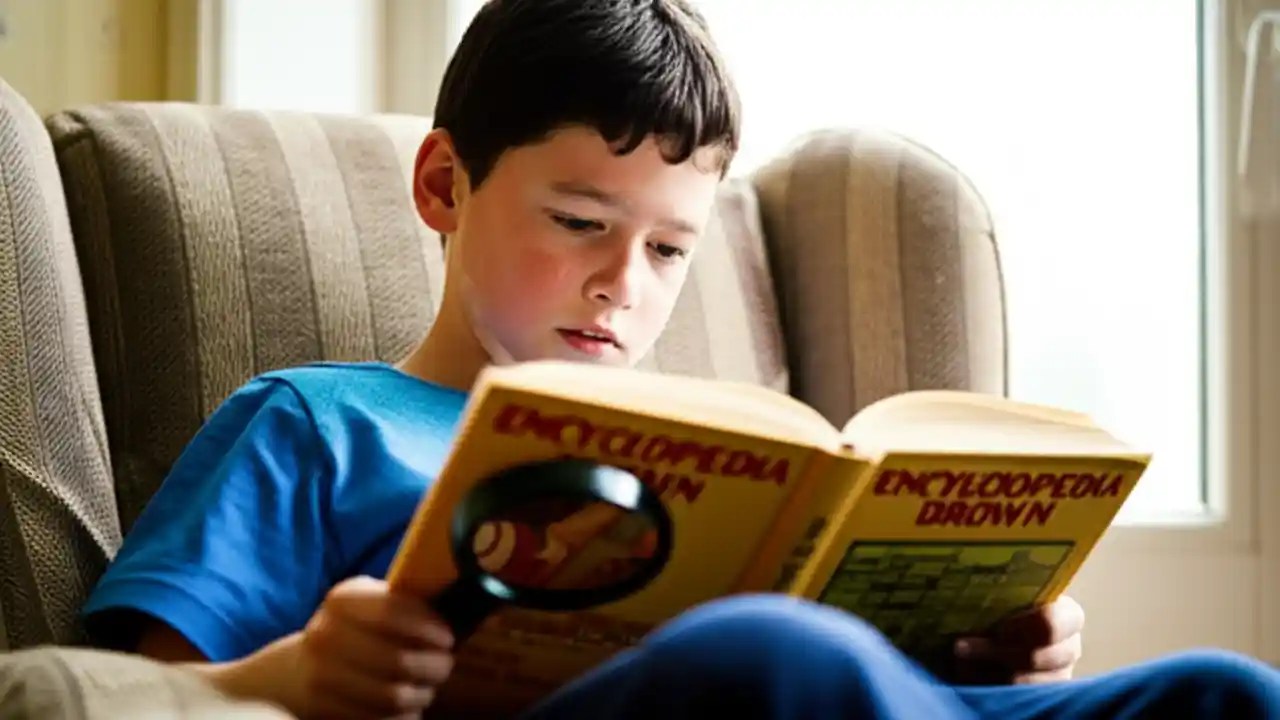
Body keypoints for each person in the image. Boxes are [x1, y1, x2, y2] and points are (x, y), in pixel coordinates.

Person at [79, 0, 1280, 718]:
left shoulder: (728, 449)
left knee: (1227, 692)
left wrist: (975, 641)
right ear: (444, 185)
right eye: (578, 223)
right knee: (772, 655)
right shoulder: (312, 424)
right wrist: (290, 677)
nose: (624, 283)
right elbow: (130, 691)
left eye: (669, 248)